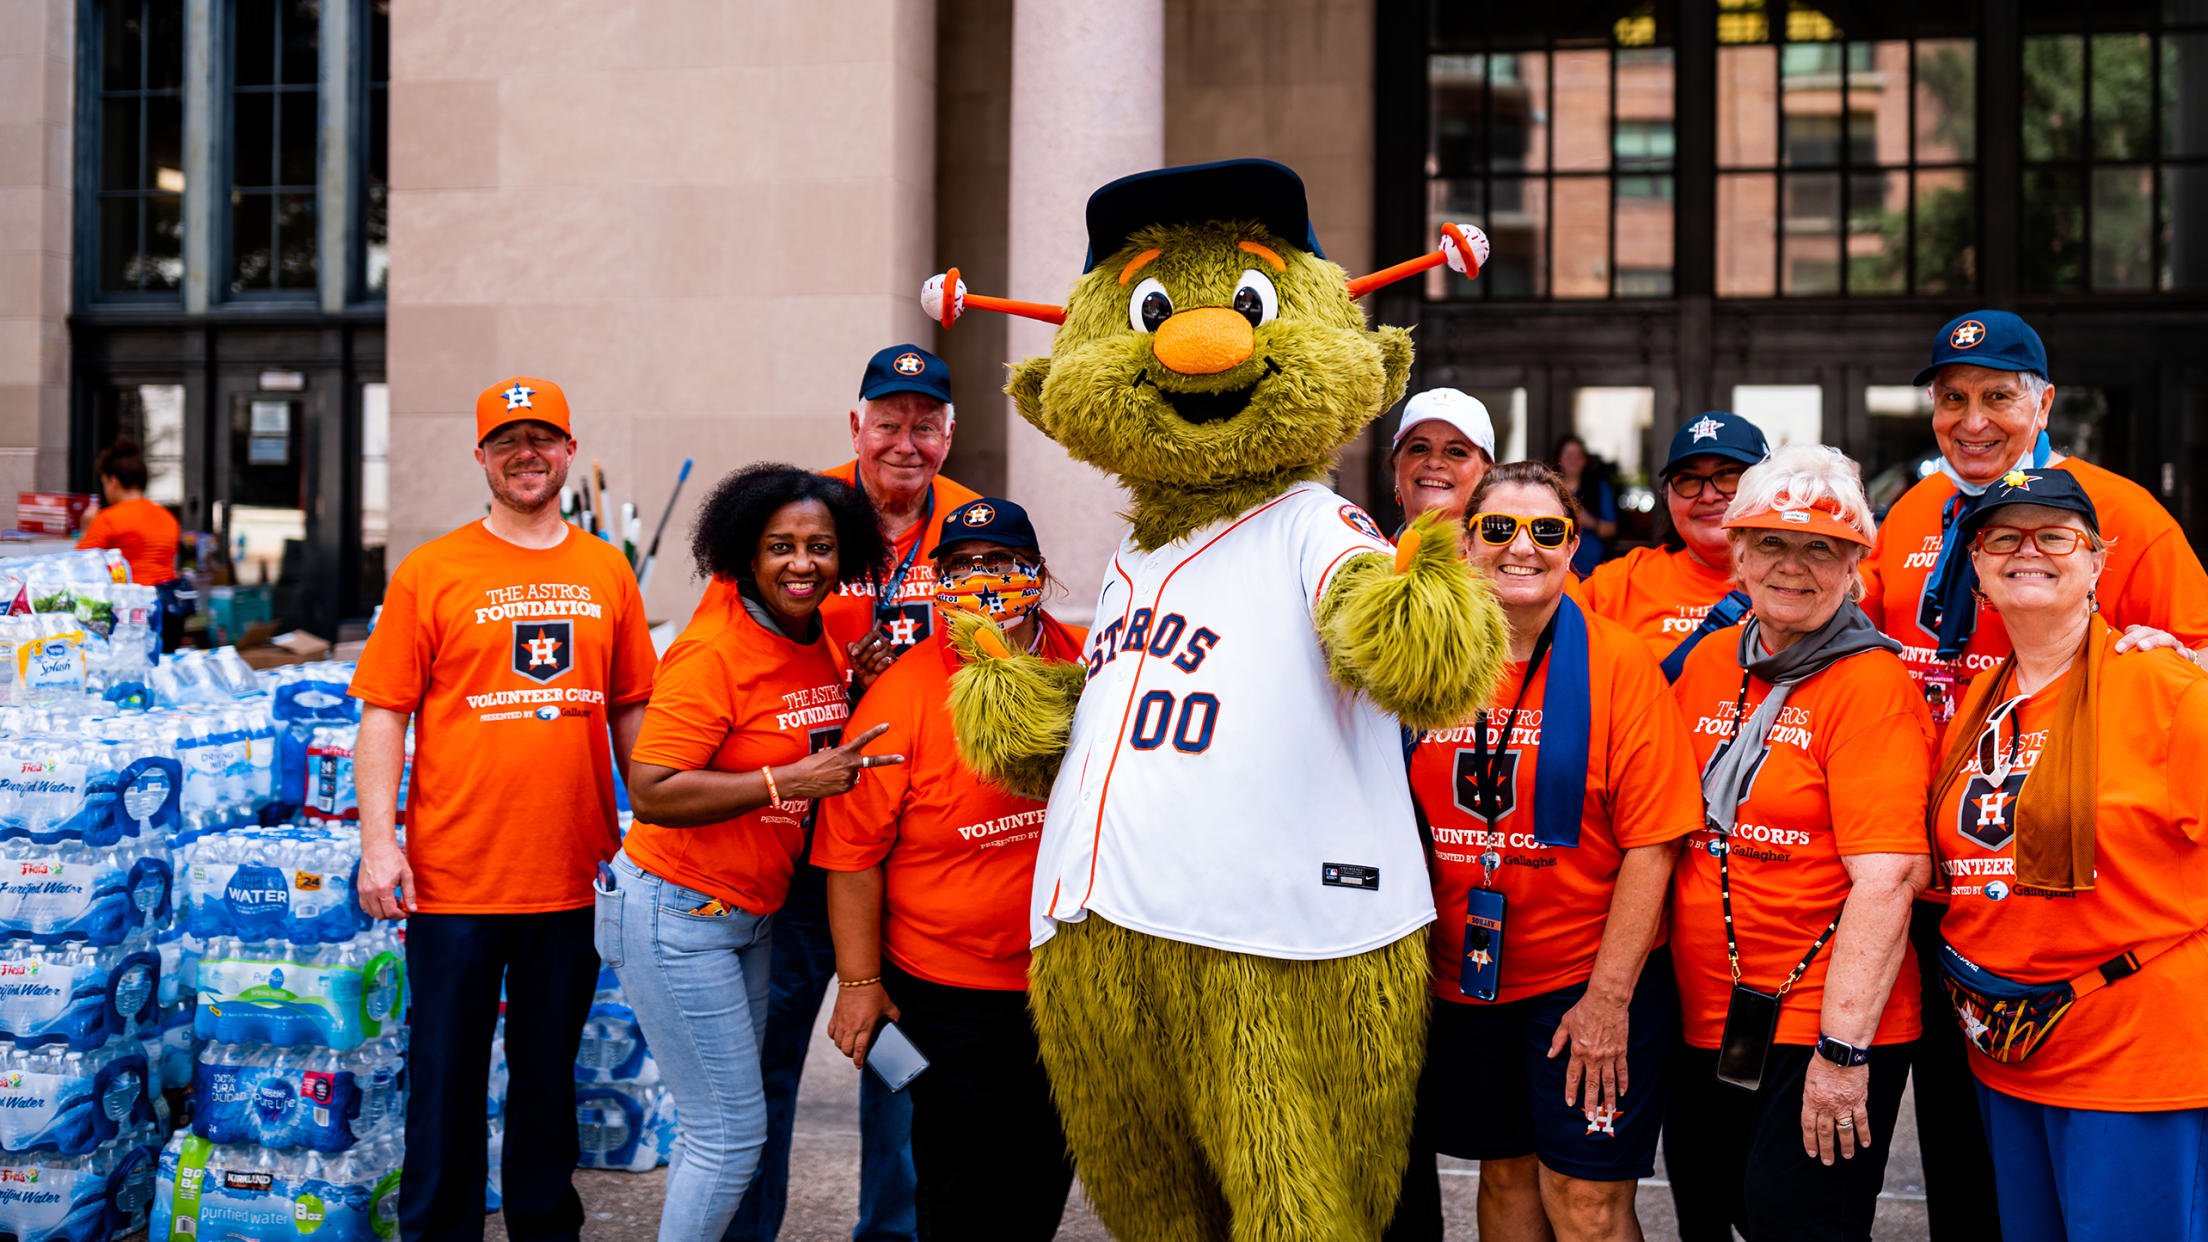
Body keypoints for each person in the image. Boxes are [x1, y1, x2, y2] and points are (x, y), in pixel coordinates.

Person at [1856, 310, 2208, 1242]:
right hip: (1958, 905)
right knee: (1977, 1177)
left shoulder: (2128, 518)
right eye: (1953, 398)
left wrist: (2161, 668)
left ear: (2044, 402)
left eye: (1998, 397)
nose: (1973, 419)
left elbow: (2198, 656)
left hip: (2102, 925)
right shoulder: (1912, 513)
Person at [350, 377, 658, 1242]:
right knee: (443, 1086)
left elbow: (632, 711)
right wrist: (378, 845)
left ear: (569, 450)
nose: (527, 454)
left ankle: (543, 1231)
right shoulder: (431, 570)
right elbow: (384, 715)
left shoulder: (606, 569)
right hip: (452, 880)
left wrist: (656, 833)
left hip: (570, 877)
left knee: (549, 1086)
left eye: (543, 438)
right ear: (481, 456)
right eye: (507, 440)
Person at [1390, 463, 1703, 1242]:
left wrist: (1607, 1002)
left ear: (1572, 546)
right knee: (1504, 1176)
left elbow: (1653, 845)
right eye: (1498, 529)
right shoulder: (1420, 656)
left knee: (1586, 1200)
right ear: (1466, 543)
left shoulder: (1619, 664)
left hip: (1583, 978)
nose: (1521, 547)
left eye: (1546, 530)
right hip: (1461, 978)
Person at [724, 344, 980, 1242]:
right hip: (795, 840)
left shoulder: (974, 526)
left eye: (924, 426)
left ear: (949, 433)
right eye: (887, 423)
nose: (905, 443)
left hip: (914, 847)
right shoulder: (800, 515)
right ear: (855, 425)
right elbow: (737, 658)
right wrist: (844, 678)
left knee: (901, 1071)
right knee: (765, 1066)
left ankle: (893, 1235)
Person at [606, 463, 898, 1241]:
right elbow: (653, 789)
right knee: (729, 1138)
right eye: (781, 546)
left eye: (820, 547)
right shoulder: (713, 652)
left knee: (726, 1130)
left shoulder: (816, 637)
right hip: (678, 913)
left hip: (750, 915)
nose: (803, 564)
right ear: (746, 554)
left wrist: (857, 689)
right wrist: (786, 781)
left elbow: (796, 730)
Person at [1924, 469, 2208, 1242]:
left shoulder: (2164, 687)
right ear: (1976, 567)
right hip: (2009, 1054)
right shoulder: (1982, 698)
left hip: (2133, 1066)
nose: (2029, 551)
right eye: (2003, 538)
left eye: (2055, 535)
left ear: (2097, 560)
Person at [1663, 444, 1934, 1242]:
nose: (1792, 565)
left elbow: (1888, 881)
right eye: (1772, 542)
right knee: (1716, 1211)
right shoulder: (1711, 660)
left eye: (1821, 547)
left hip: (1820, 1020)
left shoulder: (1872, 686)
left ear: (1854, 567)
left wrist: (1842, 1055)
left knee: (1798, 1225)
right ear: (1738, 554)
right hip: (1709, 1011)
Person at [815, 498, 1085, 1242]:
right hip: (947, 989)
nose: (981, 580)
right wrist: (860, 985)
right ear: (938, 582)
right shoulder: (902, 693)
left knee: (1041, 1174)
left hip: (1066, 981)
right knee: (957, 1182)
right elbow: (852, 855)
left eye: (999, 562)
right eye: (961, 566)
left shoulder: (1092, 668)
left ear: (1037, 573)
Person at [1581, 412, 1771, 679]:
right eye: (1688, 480)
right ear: (1667, 496)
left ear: (1769, 486)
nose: (1708, 496)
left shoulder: (1817, 579)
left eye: (1729, 475)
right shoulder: (1621, 583)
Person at [77, 436, 189, 650]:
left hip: (131, 616)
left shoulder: (108, 519)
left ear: (113, 482)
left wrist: (85, 529)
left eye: (104, 483)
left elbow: (80, 566)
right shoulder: (168, 518)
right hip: (168, 613)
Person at [1389, 387, 1495, 529]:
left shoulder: (1518, 543)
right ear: (1396, 465)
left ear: (1487, 474)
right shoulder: (1361, 543)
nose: (1434, 462)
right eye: (1419, 448)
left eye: (1456, 451)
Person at [1552, 435, 1618, 577]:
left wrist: (1590, 522)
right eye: (1568, 455)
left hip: (1591, 569)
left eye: (1578, 456)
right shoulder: (1550, 490)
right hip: (1555, 566)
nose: (1573, 460)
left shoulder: (1598, 489)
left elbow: (1611, 529)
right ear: (1559, 459)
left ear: (1585, 460)